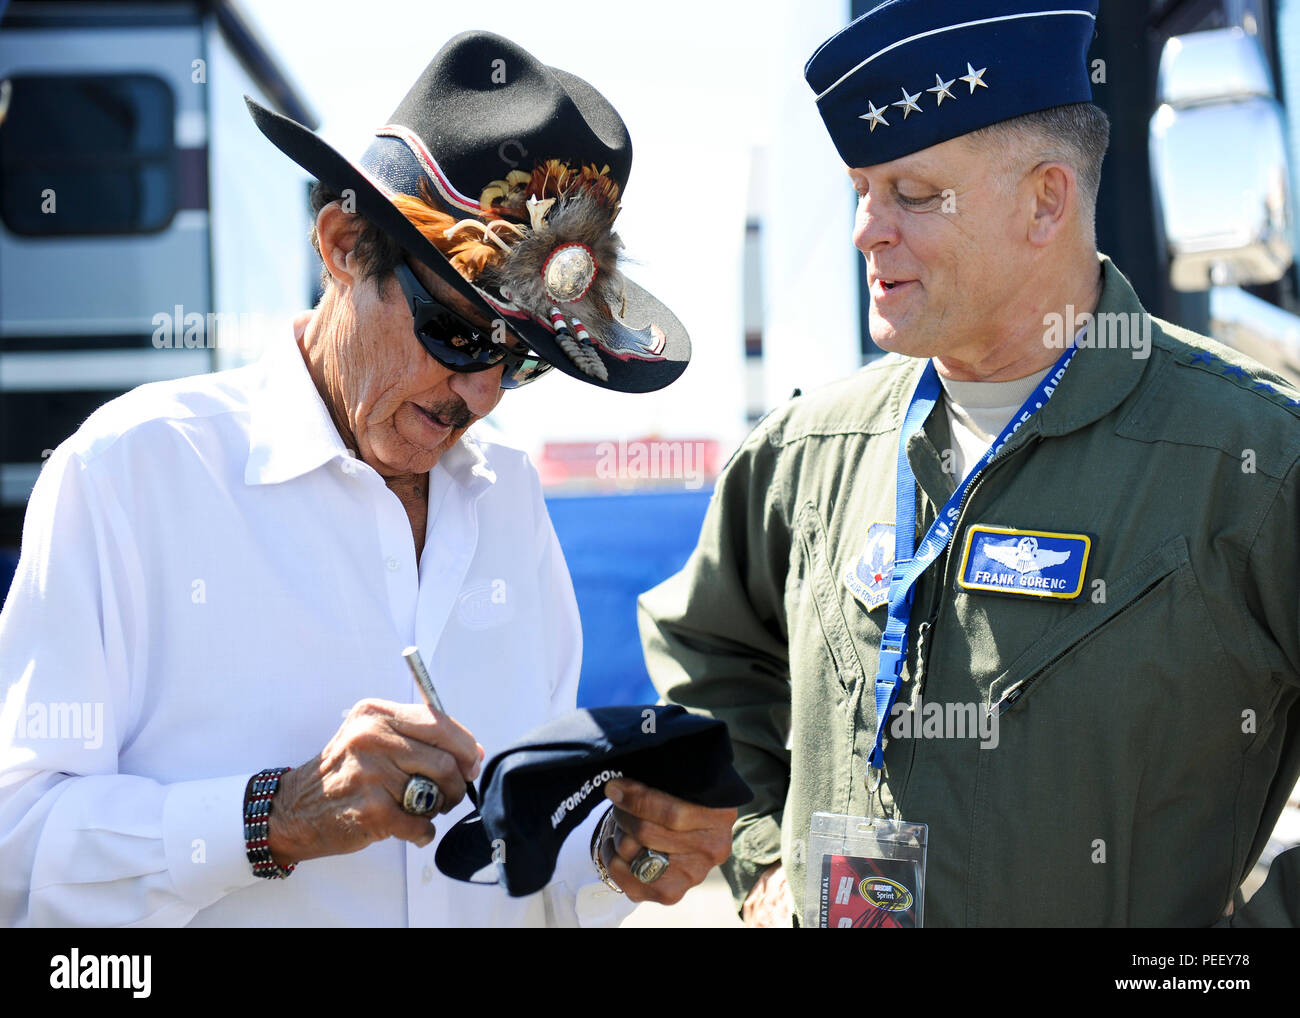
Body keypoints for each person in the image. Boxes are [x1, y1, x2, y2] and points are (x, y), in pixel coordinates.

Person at [0, 30, 734, 927]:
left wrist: (618, 848)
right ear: (345, 243)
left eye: (524, 358)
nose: (484, 393)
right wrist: (277, 815)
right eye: (460, 332)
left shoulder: (505, 493)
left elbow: (514, 836)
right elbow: (15, 847)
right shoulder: (130, 475)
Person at [639, 0, 1300, 927]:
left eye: (912, 194)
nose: (868, 230)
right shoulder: (808, 453)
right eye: (860, 192)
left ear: (1045, 201)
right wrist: (760, 859)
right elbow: (704, 649)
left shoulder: (1255, 460)